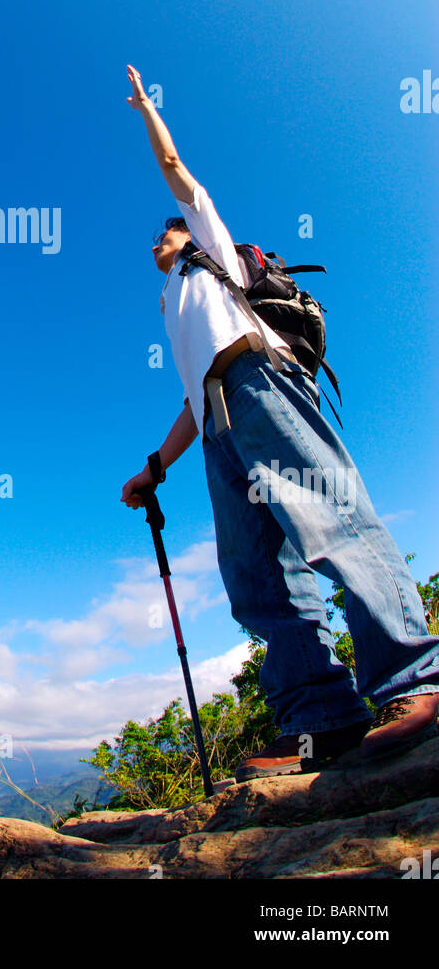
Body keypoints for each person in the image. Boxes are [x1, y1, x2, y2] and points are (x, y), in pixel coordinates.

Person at [120, 63, 439, 780]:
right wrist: (156, 467)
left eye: (158, 238)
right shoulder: (170, 306)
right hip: (217, 422)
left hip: (262, 381)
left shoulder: (206, 242)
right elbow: (189, 400)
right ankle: (321, 721)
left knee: (334, 520)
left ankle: (415, 684)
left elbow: (173, 167)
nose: (152, 246)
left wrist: (147, 108)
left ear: (182, 231)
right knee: (256, 576)